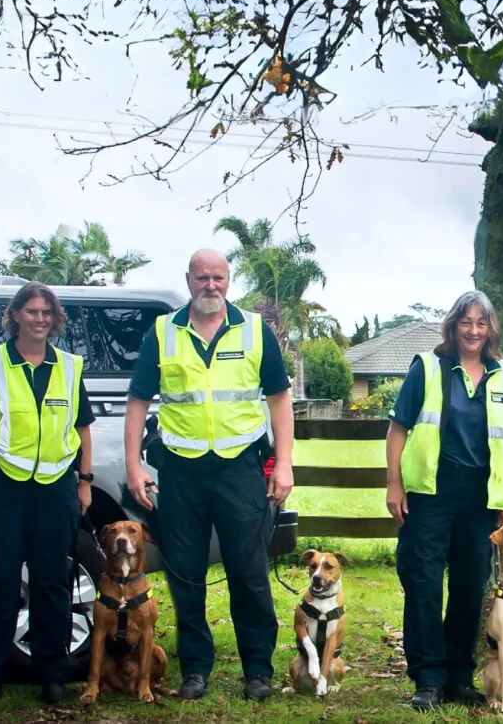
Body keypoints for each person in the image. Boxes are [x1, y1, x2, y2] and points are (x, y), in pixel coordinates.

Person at [123, 248, 294, 702]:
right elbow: (139, 400)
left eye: (218, 277)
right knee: (185, 574)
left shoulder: (255, 331)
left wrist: (286, 464)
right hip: (181, 469)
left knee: (249, 573)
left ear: (229, 280)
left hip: (241, 468)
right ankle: (195, 670)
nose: (210, 286)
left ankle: (258, 669)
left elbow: (279, 398)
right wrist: (133, 465)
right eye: (202, 278)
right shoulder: (164, 332)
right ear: (189, 279)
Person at [0, 281, 95, 706]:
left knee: (53, 584)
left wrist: (84, 481)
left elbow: (82, 427)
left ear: (55, 319)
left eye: (46, 313)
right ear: (15, 315)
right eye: (31, 311)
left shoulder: (70, 367)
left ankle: (51, 674)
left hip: (55, 488)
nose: (39, 319)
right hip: (2, 487)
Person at [385, 290, 503, 711]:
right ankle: (427, 679)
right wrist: (394, 484)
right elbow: (398, 429)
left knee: (468, 587)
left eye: (481, 323)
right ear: (453, 325)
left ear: (491, 329)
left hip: (480, 499)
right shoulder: (427, 368)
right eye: (466, 322)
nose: (474, 330)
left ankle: (459, 676)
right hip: (429, 494)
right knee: (423, 585)